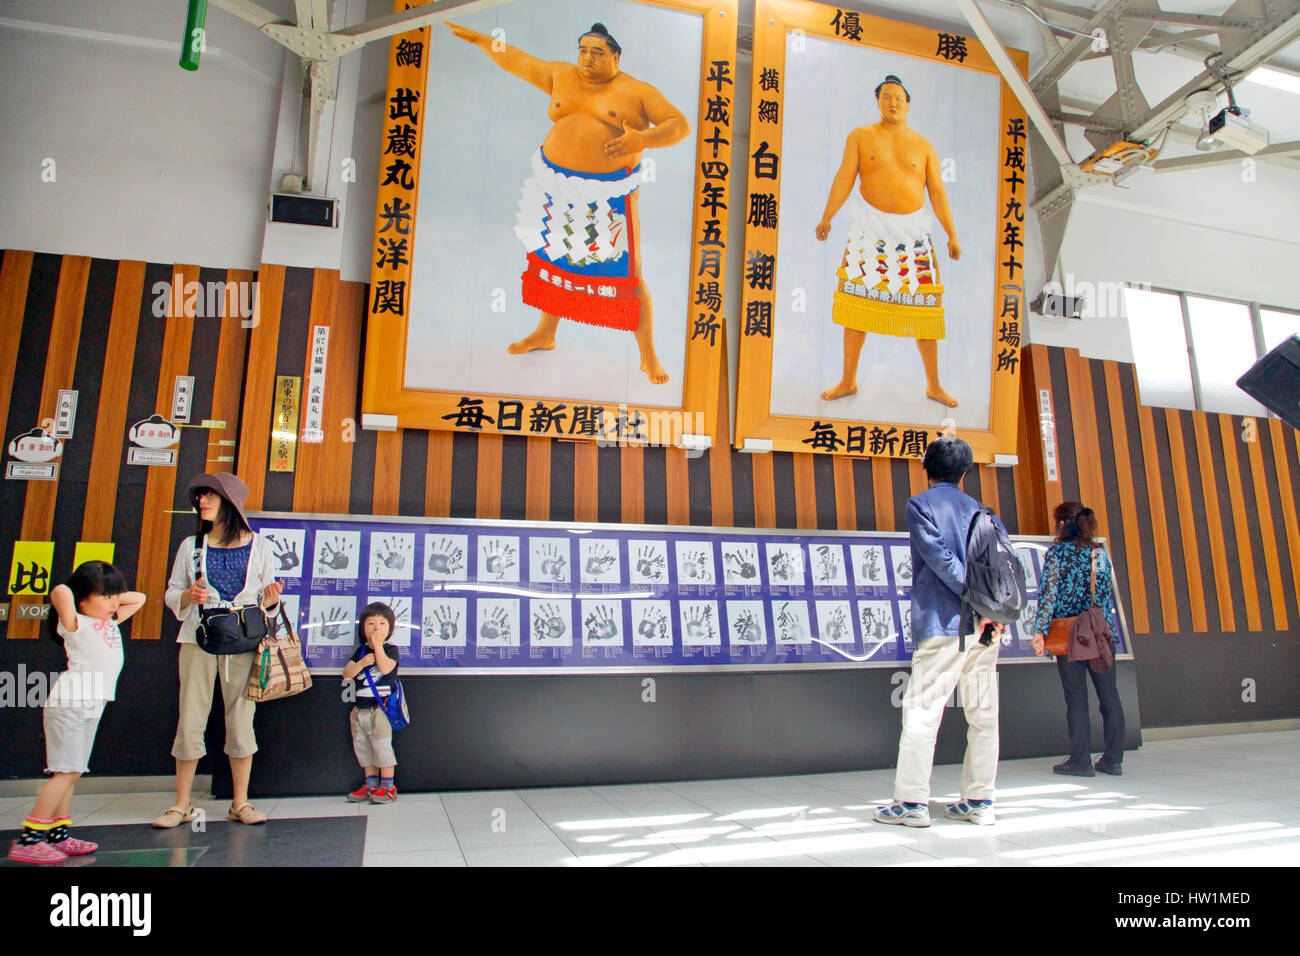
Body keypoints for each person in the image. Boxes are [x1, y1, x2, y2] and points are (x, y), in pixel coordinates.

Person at [447, 20, 690, 384]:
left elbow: (679, 125)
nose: (588, 59)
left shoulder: (637, 92)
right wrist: (482, 40)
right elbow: (518, 61)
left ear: (615, 57)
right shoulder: (562, 76)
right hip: (555, 189)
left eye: (597, 52)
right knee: (554, 262)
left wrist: (643, 139)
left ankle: (648, 357)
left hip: (608, 197)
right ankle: (546, 334)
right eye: (583, 51)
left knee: (629, 277)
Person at [874, 436, 1006, 828]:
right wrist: (988, 608)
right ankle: (979, 801)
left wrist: (971, 599)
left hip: (944, 623)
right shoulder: (985, 511)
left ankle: (912, 804)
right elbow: (999, 565)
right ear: (965, 473)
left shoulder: (921, 505)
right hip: (986, 629)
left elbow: (939, 559)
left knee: (922, 712)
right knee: (984, 716)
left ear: (926, 468)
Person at [815, 75, 960, 408]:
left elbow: (937, 191)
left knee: (927, 313)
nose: (892, 102)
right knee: (855, 312)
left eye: (898, 97)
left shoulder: (923, 145)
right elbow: (844, 177)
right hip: (870, 233)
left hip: (914, 237)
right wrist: (828, 216)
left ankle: (934, 385)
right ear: (877, 102)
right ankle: (848, 380)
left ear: (908, 104)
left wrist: (951, 233)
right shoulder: (861, 136)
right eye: (885, 97)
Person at [154, 473, 282, 828]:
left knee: (242, 720)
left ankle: (240, 802)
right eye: (201, 497)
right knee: (190, 718)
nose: (202, 502)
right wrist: (185, 597)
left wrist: (271, 602)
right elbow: (172, 592)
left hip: (243, 643)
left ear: (230, 502)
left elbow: (267, 602)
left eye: (210, 496)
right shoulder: (191, 546)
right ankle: (181, 804)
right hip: (198, 639)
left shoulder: (261, 547)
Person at [8, 562, 145, 863]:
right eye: (105, 596)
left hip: (91, 705)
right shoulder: (74, 623)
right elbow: (59, 591)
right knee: (66, 772)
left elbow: (139, 598)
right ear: (82, 599)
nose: (113, 603)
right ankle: (28, 841)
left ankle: (59, 835)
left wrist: (109, 599)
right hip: (70, 704)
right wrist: (81, 593)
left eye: (114, 597)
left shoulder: (108, 622)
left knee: (71, 773)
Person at [1032, 502, 1125, 776]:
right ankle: (1113, 759)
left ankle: (1081, 761)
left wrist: (1040, 631)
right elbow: (1106, 595)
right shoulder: (1100, 554)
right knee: (1109, 696)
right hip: (1100, 633)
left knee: (1076, 698)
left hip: (1070, 636)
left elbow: (1048, 595)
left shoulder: (1057, 554)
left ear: (1062, 524)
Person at [341, 602, 402, 804]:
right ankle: (370, 785)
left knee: (382, 746)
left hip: (380, 709)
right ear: (363, 628)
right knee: (363, 747)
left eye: (383, 623)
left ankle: (388, 786)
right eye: (371, 623)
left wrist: (377, 649)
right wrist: (361, 663)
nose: (377, 628)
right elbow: (347, 674)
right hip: (359, 709)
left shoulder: (391, 650)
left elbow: (385, 669)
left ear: (390, 629)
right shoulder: (360, 652)